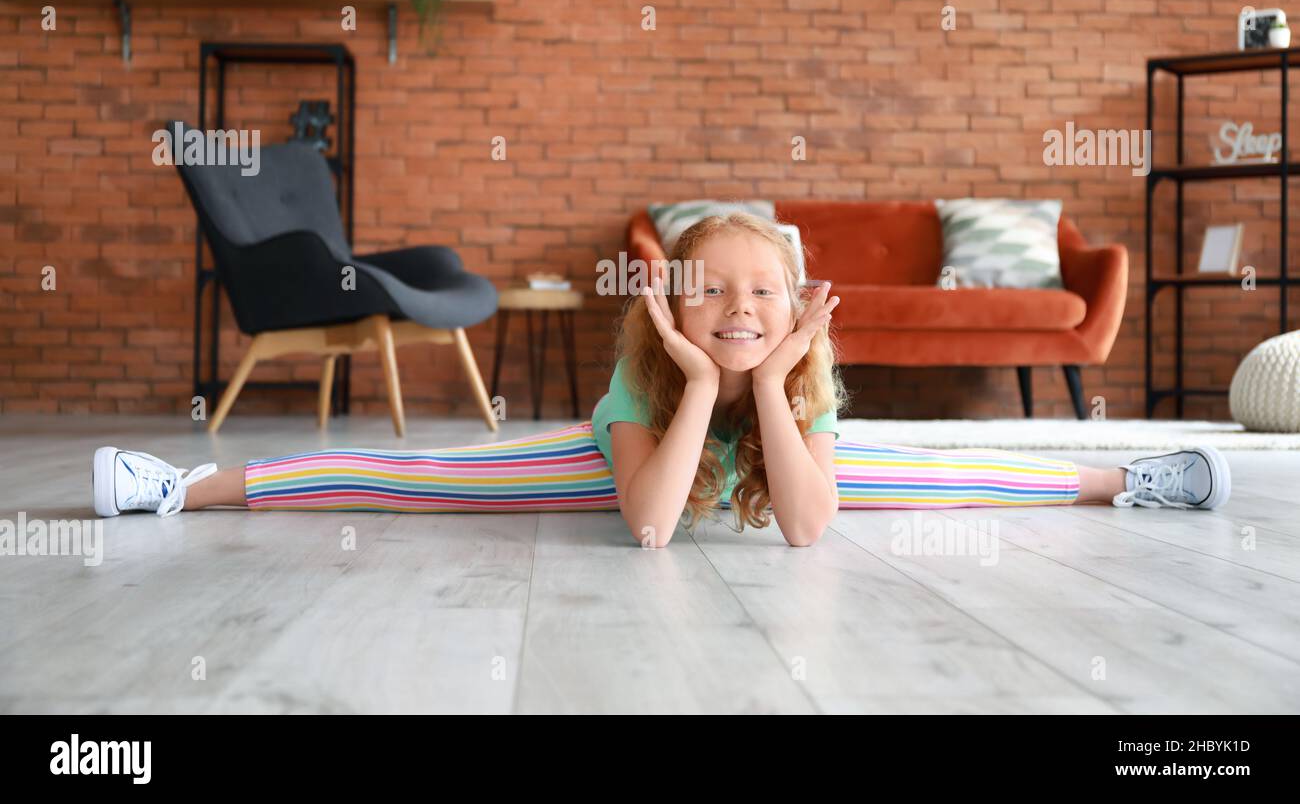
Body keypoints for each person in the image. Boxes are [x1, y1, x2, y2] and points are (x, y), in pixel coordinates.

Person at [90, 213, 1231, 547]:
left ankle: (1136, 476)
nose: (740, 309)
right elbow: (646, 524)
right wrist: (695, 384)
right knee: (409, 473)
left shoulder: (798, 369)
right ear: (674, 308)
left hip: (770, 462)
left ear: (793, 306)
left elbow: (803, 532)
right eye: (713, 292)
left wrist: (784, 382)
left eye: (764, 295)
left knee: (955, 469)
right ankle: (177, 488)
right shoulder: (648, 377)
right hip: (618, 470)